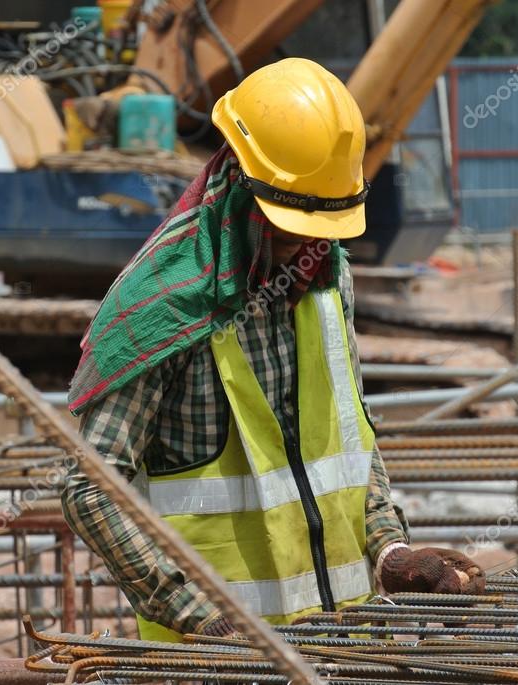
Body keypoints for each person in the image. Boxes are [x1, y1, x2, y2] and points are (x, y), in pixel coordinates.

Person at [62, 58, 484, 641]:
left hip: (343, 647)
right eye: (293, 225)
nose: (310, 244)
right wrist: (198, 619)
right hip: (213, 666)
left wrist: (390, 550)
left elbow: (350, 439)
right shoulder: (164, 306)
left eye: (324, 226)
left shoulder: (327, 281)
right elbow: (89, 486)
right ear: (239, 183)